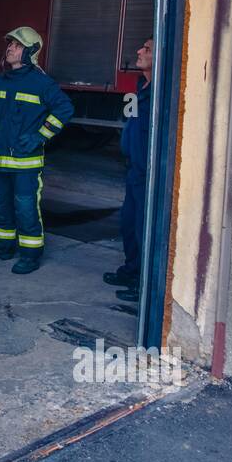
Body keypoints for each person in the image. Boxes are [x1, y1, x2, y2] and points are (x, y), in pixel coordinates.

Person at [0, 26, 74, 274]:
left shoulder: (42, 84)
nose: (10, 48)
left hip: (27, 165)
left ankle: (30, 255)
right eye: (10, 44)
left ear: (30, 51)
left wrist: (41, 135)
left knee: (26, 208)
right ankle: (2, 247)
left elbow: (64, 109)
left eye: (17, 45)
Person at [104, 37, 153, 304]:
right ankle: (131, 271)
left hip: (148, 175)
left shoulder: (161, 92)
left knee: (145, 229)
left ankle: (144, 285)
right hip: (133, 170)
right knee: (128, 224)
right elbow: (130, 123)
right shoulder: (139, 87)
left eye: (147, 49)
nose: (139, 51)